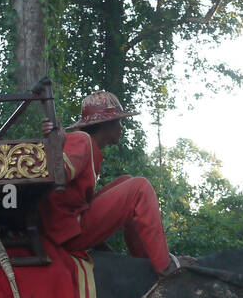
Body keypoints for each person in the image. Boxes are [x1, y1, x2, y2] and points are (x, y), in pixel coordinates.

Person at [39, 91, 185, 275]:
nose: (122, 128)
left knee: (126, 181)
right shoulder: (81, 140)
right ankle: (165, 267)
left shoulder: (90, 146)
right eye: (118, 122)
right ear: (105, 124)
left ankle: (145, 261)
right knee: (140, 187)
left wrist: (103, 248)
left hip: (70, 225)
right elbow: (59, 174)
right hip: (66, 231)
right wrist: (56, 145)